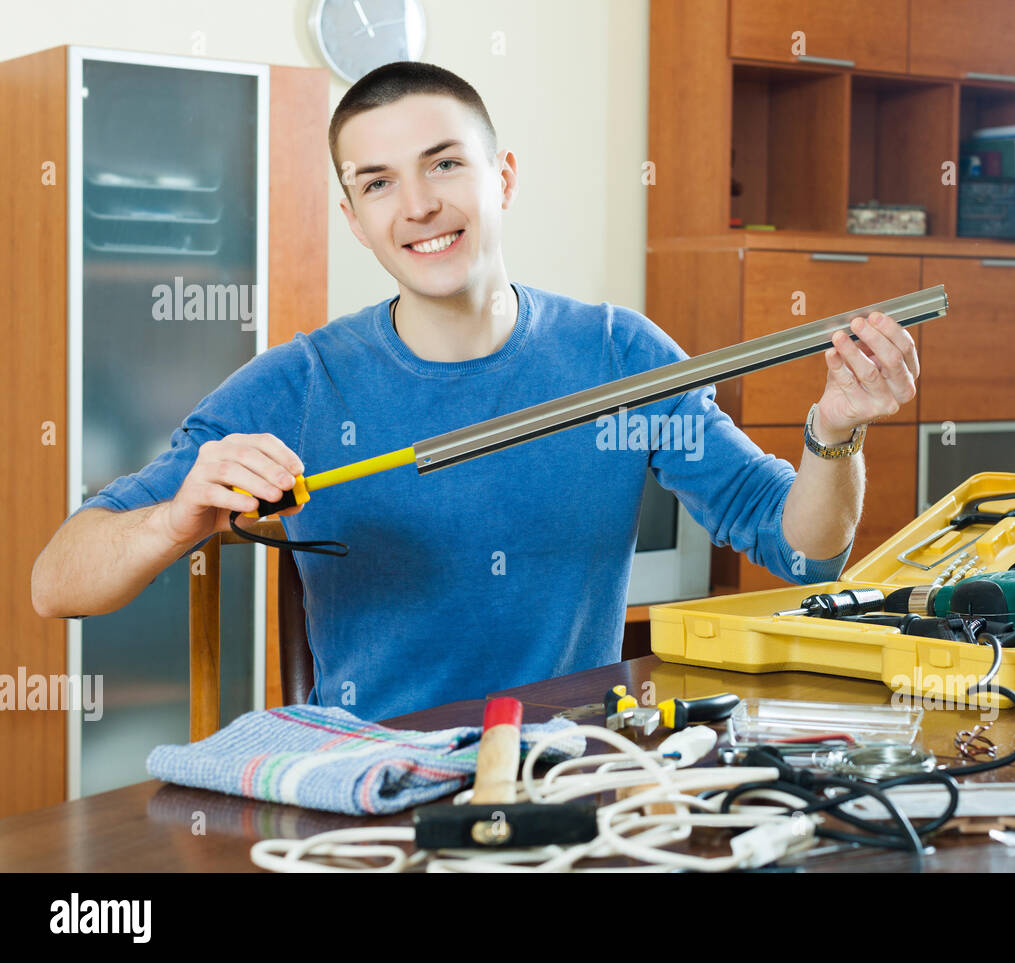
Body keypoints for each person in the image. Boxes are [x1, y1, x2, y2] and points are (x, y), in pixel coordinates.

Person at [31, 62, 920, 721]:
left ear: (501, 178)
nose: (417, 204)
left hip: (568, 778)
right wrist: (175, 516)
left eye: (444, 164)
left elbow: (804, 551)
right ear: (353, 218)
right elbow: (56, 582)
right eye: (378, 183)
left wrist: (834, 431)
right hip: (371, 793)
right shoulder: (296, 384)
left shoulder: (619, 353)